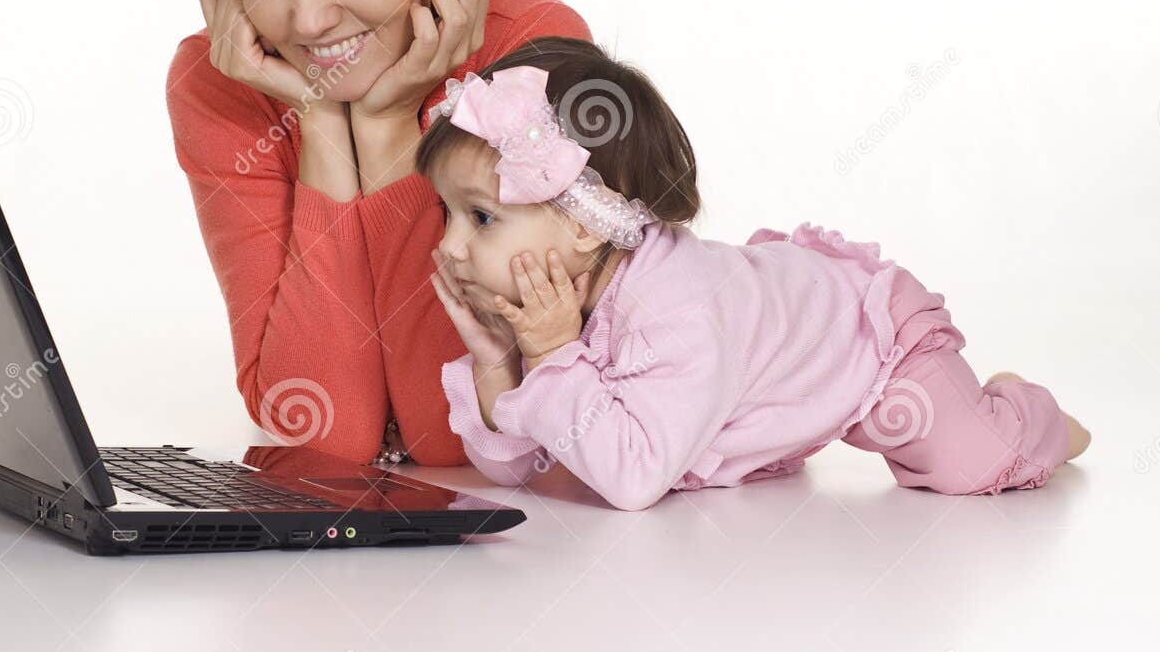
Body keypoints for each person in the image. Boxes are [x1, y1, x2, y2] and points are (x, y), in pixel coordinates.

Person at [420, 37, 1092, 511]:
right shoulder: (556, 303)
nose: (449, 247)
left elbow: (631, 478)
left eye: (479, 218)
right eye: (445, 213)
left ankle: (1029, 415)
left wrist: (547, 354)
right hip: (764, 364)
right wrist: (496, 362)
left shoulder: (673, 310)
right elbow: (520, 469)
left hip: (868, 345)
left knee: (961, 459)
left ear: (582, 223)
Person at [167, 0, 590, 466]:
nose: (306, 19)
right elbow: (322, 430)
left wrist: (389, 127)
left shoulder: (534, 53)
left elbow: (444, 433)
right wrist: (321, 121)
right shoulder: (222, 81)